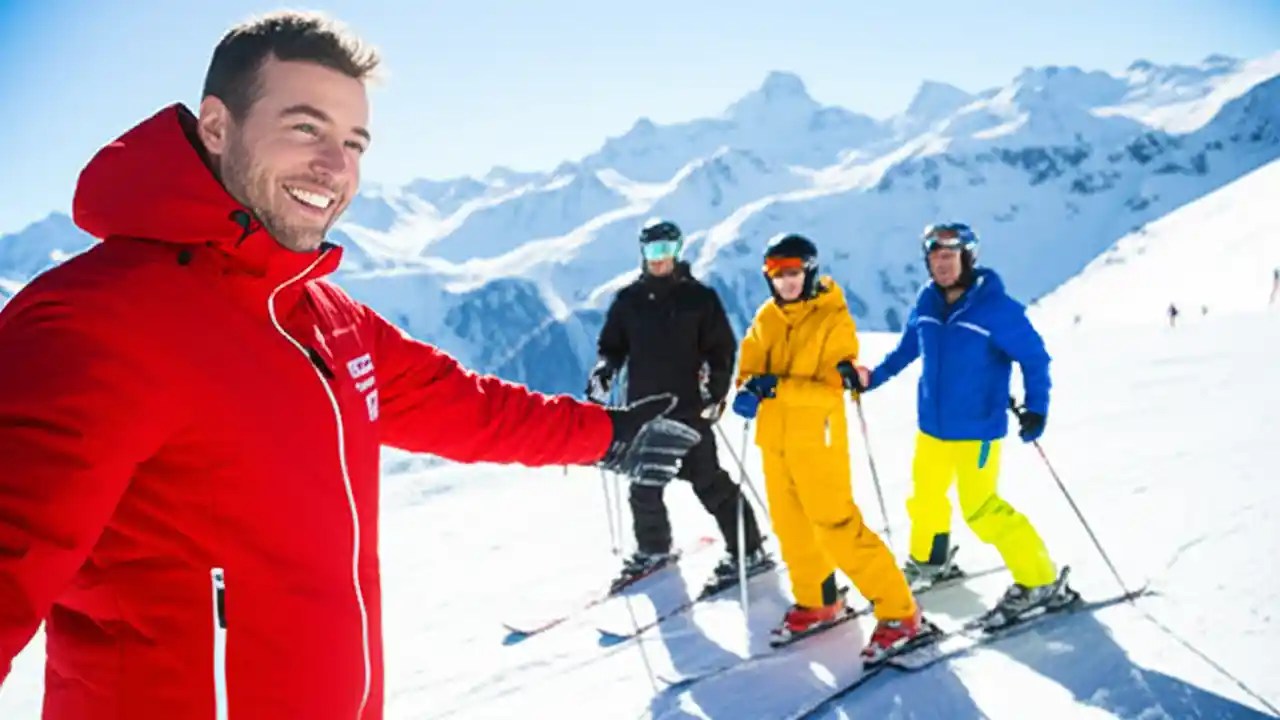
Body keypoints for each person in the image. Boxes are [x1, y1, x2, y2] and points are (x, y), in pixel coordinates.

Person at [0, 12, 701, 719]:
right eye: (304, 127)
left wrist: (607, 437)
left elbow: (462, 404)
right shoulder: (98, 320)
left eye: (353, 142)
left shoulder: (321, 318)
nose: (335, 167)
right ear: (216, 127)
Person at [850, 222, 1076, 629]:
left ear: (967, 258)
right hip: (933, 427)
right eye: (936, 257)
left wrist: (1036, 407)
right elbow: (907, 349)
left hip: (977, 430)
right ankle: (930, 561)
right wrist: (873, 378)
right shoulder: (927, 300)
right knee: (925, 499)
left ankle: (1040, 580)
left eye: (950, 257)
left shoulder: (996, 308)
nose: (942, 265)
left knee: (982, 509)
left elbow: (1035, 358)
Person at [730, 232, 928, 662]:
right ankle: (819, 600)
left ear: (810, 271)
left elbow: (829, 392)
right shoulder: (766, 318)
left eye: (793, 272)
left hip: (816, 441)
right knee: (791, 529)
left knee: (837, 527)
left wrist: (775, 387)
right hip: (775, 442)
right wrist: (745, 390)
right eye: (777, 274)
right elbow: (747, 370)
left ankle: (901, 612)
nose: (786, 282)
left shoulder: (832, 320)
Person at [589, 218, 771, 595]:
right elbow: (612, 346)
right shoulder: (629, 301)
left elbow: (721, 350)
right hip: (643, 410)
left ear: (678, 251)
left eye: (667, 250)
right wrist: (605, 370)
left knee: (708, 481)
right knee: (643, 486)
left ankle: (749, 550)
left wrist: (716, 395)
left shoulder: (698, 299)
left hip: (688, 409)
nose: (660, 259)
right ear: (642, 252)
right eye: (653, 250)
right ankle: (654, 550)